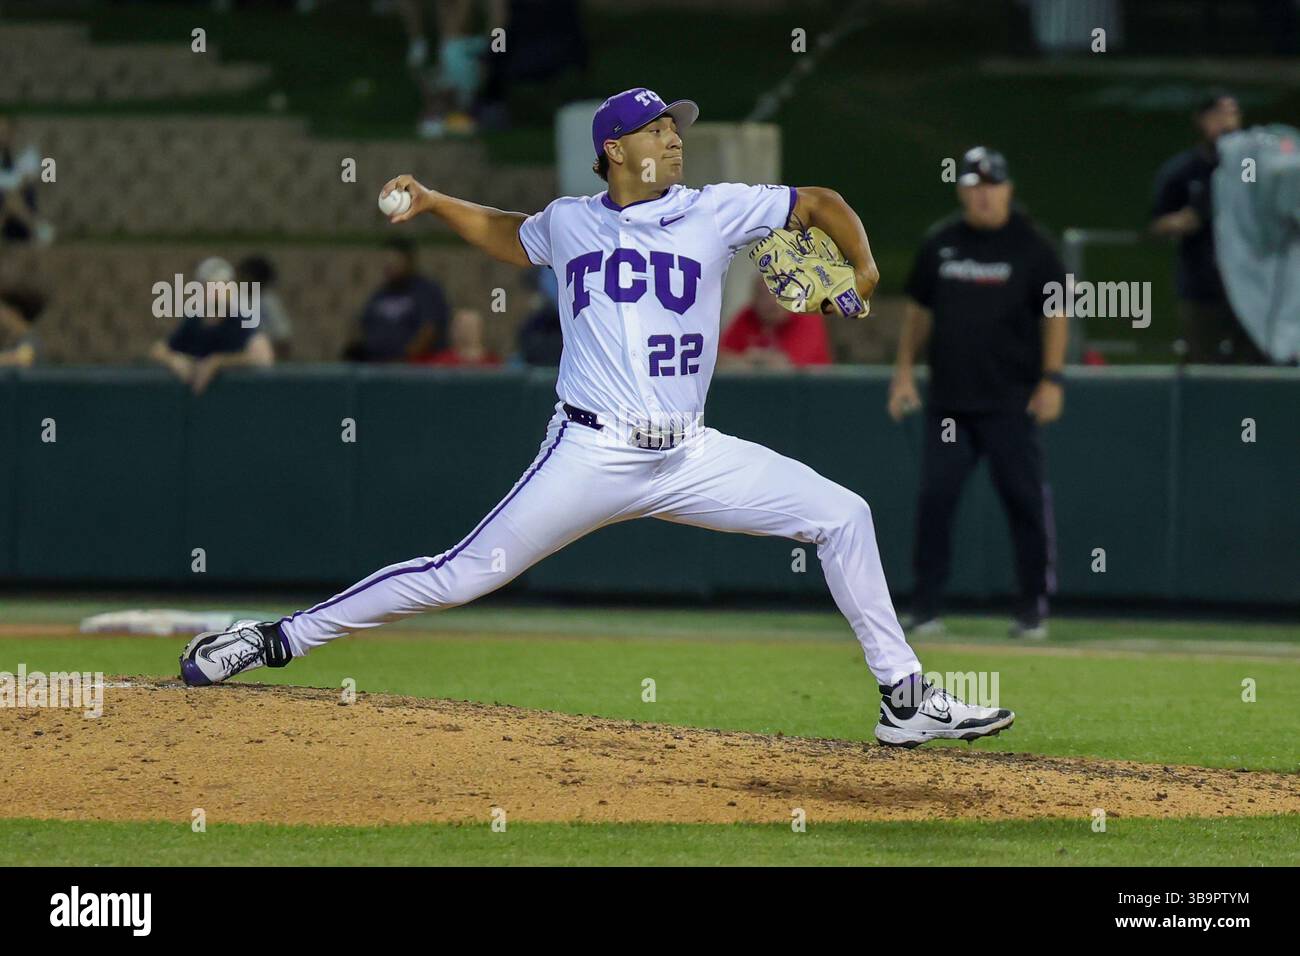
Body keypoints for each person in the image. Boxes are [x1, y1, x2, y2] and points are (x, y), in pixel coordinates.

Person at [180, 88, 1014, 749]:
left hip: (690, 454)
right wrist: (434, 201)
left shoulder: (718, 207)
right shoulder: (572, 222)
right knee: (461, 574)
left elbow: (822, 201)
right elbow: (512, 236)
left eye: (675, 128)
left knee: (844, 515)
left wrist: (864, 270)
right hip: (590, 449)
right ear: (616, 151)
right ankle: (275, 638)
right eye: (657, 130)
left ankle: (905, 700)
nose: (675, 140)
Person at [889, 147, 1067, 641]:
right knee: (936, 501)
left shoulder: (1032, 245)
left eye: (991, 185)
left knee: (1024, 501)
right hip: (949, 402)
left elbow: (1055, 315)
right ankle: (925, 607)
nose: (983, 195)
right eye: (974, 185)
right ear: (962, 190)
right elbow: (917, 311)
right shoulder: (942, 243)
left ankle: (1032, 608)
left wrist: (1052, 380)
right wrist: (903, 372)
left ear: (1008, 189)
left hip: (1011, 400)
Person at [1150, 91, 1262, 364]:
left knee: (1255, 364)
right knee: (1203, 364)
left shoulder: (1252, 167)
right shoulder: (1184, 170)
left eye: (1233, 114)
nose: (1227, 123)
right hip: (1204, 287)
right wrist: (1180, 222)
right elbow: (1157, 224)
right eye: (1218, 115)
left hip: (1252, 288)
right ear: (1201, 121)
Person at [150, 257, 274, 394]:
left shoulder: (240, 321)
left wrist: (217, 362)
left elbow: (262, 356)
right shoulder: (194, 322)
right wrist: (175, 360)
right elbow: (159, 349)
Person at [343, 237, 450, 362]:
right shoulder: (380, 294)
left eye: (394, 260)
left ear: (409, 261)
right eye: (385, 261)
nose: (389, 265)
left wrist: (401, 361)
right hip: (375, 367)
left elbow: (428, 331)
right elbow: (362, 327)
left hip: (412, 369)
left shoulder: (427, 291)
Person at [719, 276, 832, 369]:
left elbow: (789, 366)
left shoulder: (806, 315)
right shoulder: (747, 316)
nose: (772, 302)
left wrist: (751, 360)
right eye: (764, 295)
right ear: (754, 299)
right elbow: (720, 359)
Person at [236, 255, 293, 361]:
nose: (240, 280)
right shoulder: (236, 300)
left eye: (244, 276)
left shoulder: (268, 303)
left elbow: (282, 339)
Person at [0, 115, 45, 244]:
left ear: (12, 133)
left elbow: (28, 179)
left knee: (11, 197)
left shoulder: (26, 152)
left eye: (3, 133)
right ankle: (37, 228)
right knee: (9, 197)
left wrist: (10, 188)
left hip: (20, 200)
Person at [420, 308, 500, 367]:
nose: (465, 331)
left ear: (481, 329)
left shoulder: (493, 364)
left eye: (470, 326)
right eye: (460, 326)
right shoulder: (441, 363)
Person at [0, 287, 45, 367]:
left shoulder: (31, 339)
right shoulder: (13, 340)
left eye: (3, 311)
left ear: (14, 312)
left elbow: (23, 358)